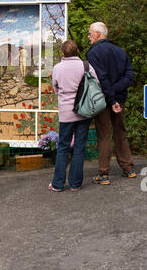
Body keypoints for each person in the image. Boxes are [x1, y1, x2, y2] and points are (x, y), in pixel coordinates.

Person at [86, 22, 136, 185]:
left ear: (98, 35)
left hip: (103, 99)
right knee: (120, 131)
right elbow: (129, 75)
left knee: (104, 134)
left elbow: (101, 78)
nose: (89, 37)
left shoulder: (93, 53)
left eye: (90, 34)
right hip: (119, 99)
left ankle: (104, 173)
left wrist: (111, 97)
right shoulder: (120, 51)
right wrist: (116, 93)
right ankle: (128, 169)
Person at [49, 40, 98, 192]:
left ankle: (58, 184)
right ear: (77, 51)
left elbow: (55, 88)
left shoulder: (57, 68)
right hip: (84, 112)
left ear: (62, 53)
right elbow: (96, 84)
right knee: (79, 147)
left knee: (63, 147)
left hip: (66, 113)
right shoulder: (86, 66)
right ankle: (76, 184)